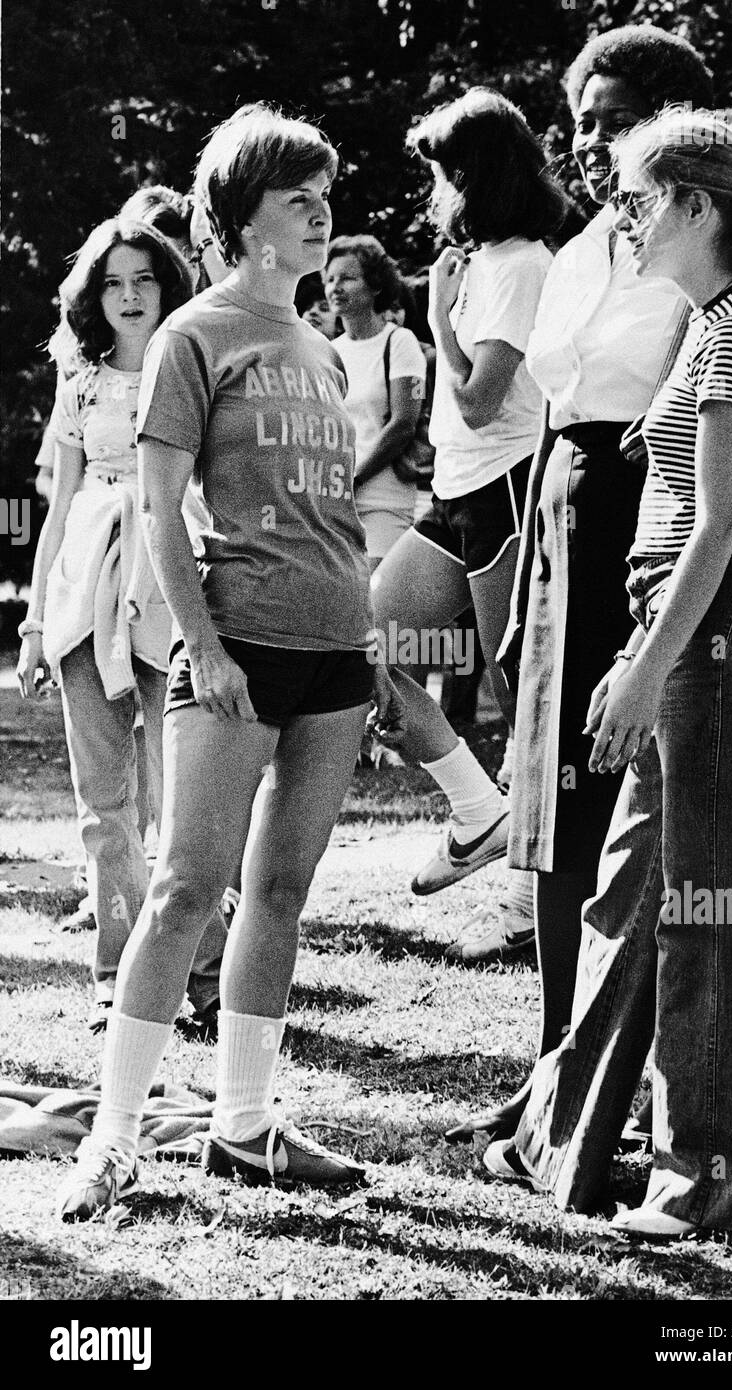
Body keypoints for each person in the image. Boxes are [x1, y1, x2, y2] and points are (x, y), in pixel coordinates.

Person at [56, 102, 403, 1221]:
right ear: (240, 217)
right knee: (184, 887)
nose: (320, 215)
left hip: (334, 653)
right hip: (235, 648)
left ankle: (244, 1128)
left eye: (324, 195)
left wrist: (370, 638)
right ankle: (110, 1143)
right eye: (295, 199)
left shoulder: (320, 346)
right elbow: (158, 507)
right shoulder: (192, 334)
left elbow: (336, 513)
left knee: (282, 893)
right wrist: (201, 648)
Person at [485, 108, 732, 1237]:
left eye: (636, 201)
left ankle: (726, 1178)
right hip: (691, 623)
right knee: (630, 896)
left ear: (691, 205)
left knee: (712, 910)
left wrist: (641, 666)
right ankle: (563, 1144)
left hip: (717, 622)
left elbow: (723, 523)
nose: (621, 221)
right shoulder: (716, 321)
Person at [447, 25, 714, 1142]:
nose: (589, 141)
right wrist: (526, 568)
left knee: (626, 803)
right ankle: (551, 1061)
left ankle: (621, 1081)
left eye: (612, 119)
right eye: (583, 120)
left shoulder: (711, 243)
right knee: (553, 809)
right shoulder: (583, 245)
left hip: (649, 503)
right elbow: (551, 399)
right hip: (559, 501)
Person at [370, 87, 566, 964]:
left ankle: (527, 905)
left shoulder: (523, 262)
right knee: (366, 646)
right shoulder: (480, 261)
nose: (437, 193)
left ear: (478, 175)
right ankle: (477, 807)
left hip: (508, 486)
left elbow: (482, 402)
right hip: (453, 493)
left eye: (447, 174)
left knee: (523, 690)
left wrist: (438, 328)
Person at [17, 217, 226, 1032]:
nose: (129, 295)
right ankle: (118, 974)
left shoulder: (193, 365)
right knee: (104, 802)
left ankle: (201, 973)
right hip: (85, 588)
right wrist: (37, 620)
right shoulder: (80, 383)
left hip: (170, 581)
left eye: (143, 278)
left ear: (167, 284)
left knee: (181, 796)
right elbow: (59, 506)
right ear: (92, 296)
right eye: (112, 282)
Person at [326, 235, 427, 568]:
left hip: (384, 498)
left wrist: (353, 479)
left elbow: (403, 423)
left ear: (376, 286)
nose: (335, 287)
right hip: (334, 501)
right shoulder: (330, 351)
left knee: (378, 606)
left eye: (347, 278)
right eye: (330, 279)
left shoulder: (400, 342)